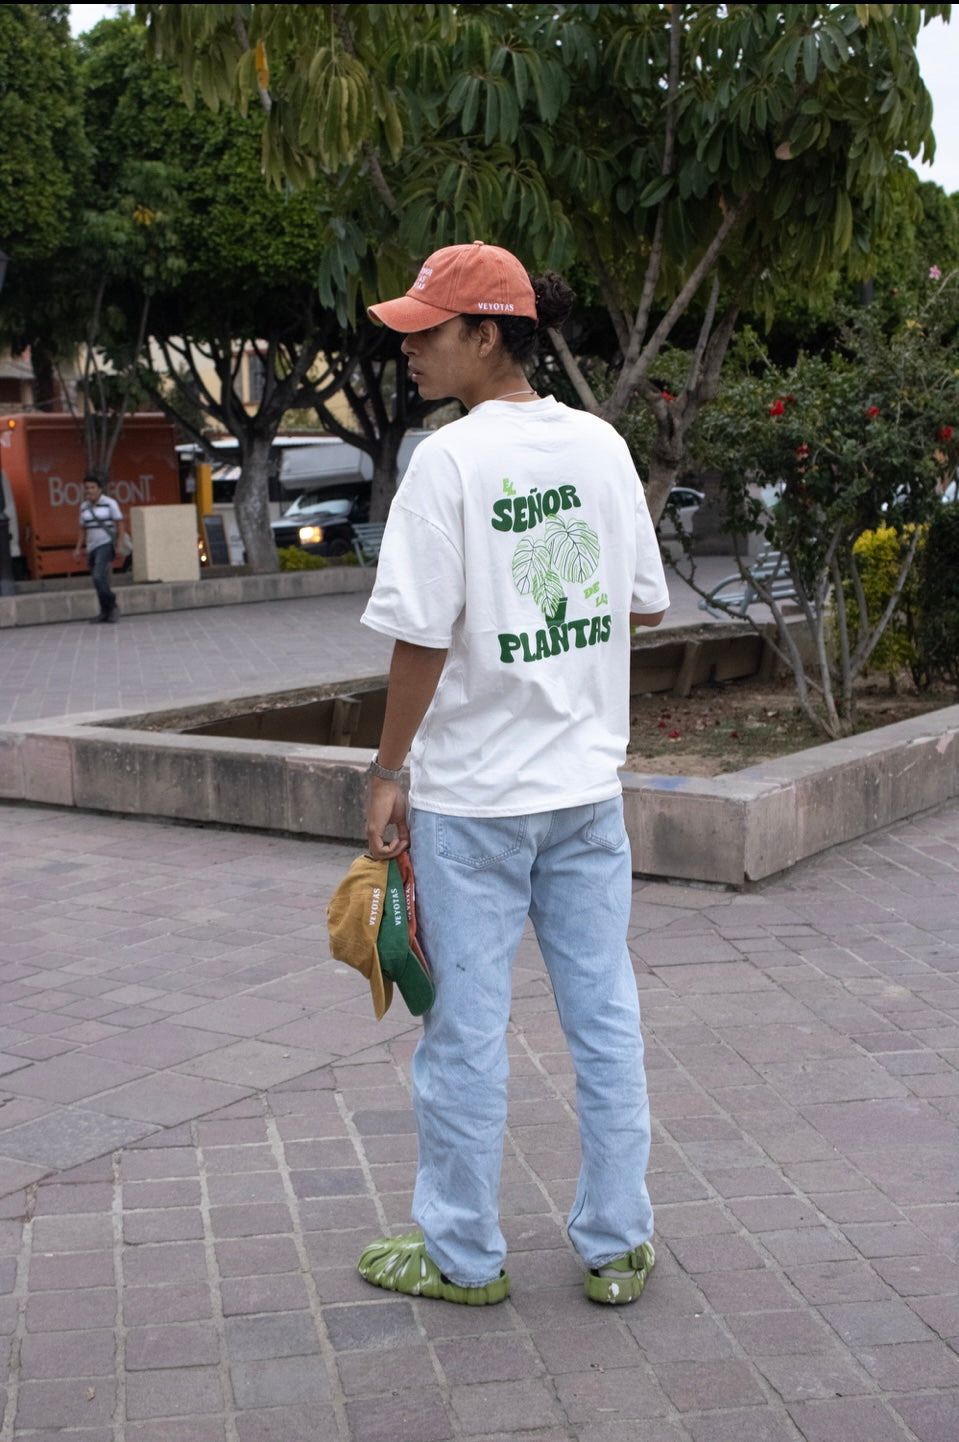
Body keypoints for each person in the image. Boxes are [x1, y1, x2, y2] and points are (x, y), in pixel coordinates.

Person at [357, 240, 670, 1307]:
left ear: (486, 334)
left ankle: (461, 1255)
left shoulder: (446, 461)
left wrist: (387, 766)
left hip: (475, 798)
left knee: (463, 1034)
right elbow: (639, 600)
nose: (406, 350)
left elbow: (418, 638)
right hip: (584, 788)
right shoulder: (600, 444)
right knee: (603, 1016)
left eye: (425, 332)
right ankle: (617, 1241)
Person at [73, 475, 126, 623]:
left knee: (98, 576)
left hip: (106, 544)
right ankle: (106, 611)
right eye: (87, 488)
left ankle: (111, 601)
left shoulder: (110, 504)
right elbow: (82, 528)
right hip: (92, 547)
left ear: (99, 489)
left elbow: (120, 525)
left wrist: (119, 546)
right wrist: (78, 548)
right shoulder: (84, 507)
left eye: (92, 488)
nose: (89, 491)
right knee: (98, 580)